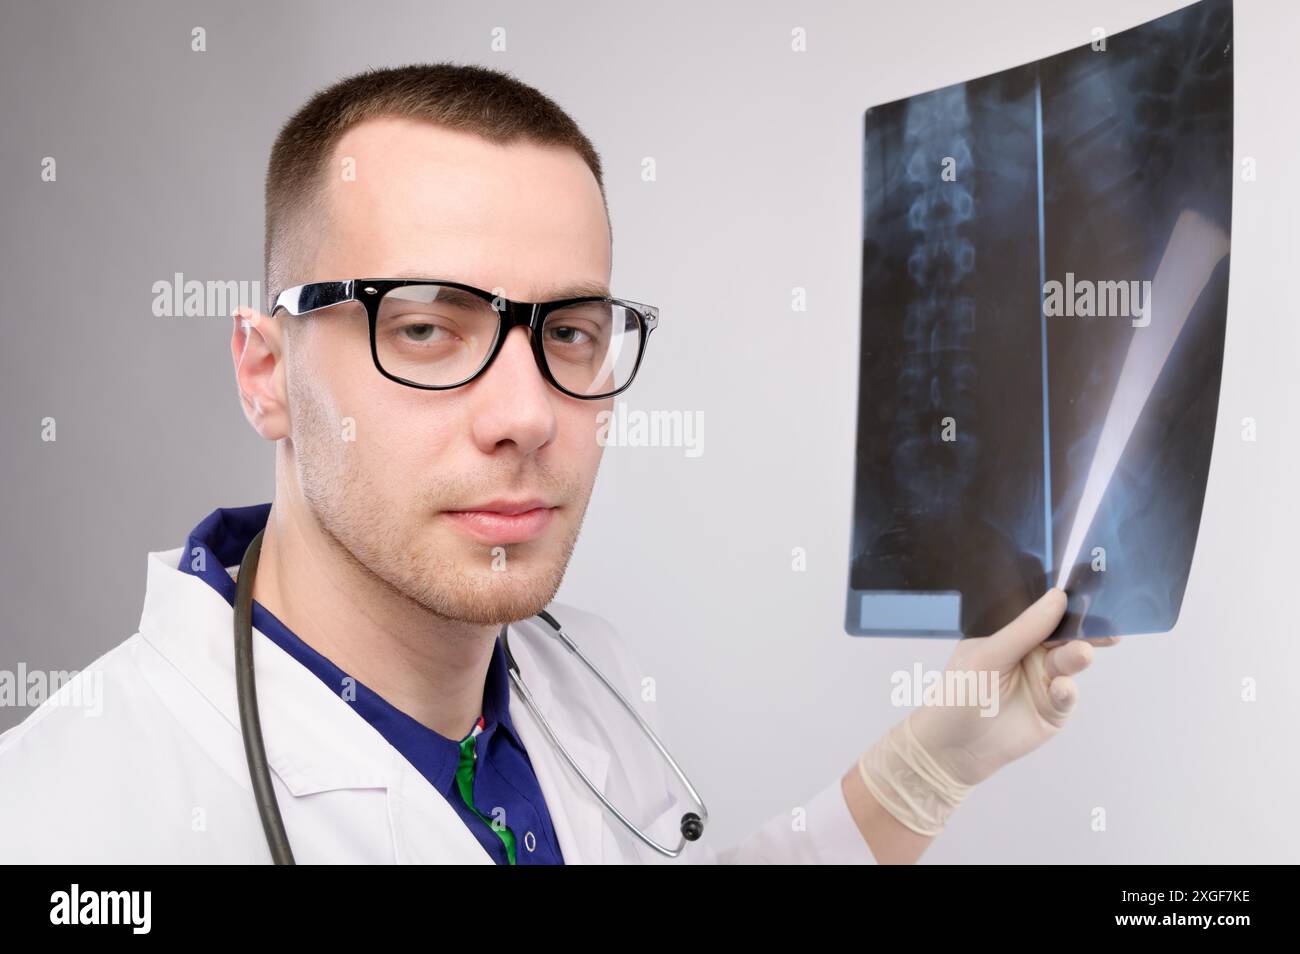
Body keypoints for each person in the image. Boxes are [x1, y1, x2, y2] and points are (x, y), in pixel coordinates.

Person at [0, 63, 1113, 864]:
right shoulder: (68, 821)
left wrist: (924, 771)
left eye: (569, 333)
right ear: (265, 373)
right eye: (427, 328)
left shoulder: (581, 679)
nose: (527, 415)